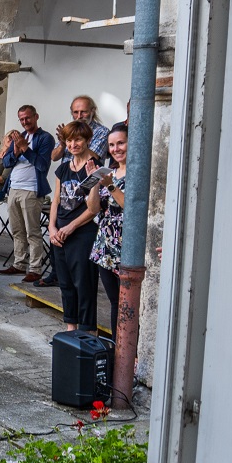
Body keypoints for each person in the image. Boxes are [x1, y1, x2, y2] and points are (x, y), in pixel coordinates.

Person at [49, 121, 101, 332]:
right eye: (69, 140)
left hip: (81, 232)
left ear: (88, 140)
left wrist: (70, 227)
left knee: (84, 283)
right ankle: (71, 327)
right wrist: (52, 228)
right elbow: (56, 200)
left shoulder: (93, 167)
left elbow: (93, 208)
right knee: (66, 283)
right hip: (59, 233)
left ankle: (87, 330)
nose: (73, 144)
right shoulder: (63, 168)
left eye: (78, 139)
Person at [0, 105, 56, 283]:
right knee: (17, 230)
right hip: (13, 188)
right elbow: (6, 163)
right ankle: (19, 263)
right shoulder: (19, 137)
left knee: (33, 231)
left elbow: (42, 165)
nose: (25, 122)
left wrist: (26, 149)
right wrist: (15, 151)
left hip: (31, 190)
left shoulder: (45, 138)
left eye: (28, 118)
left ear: (36, 116)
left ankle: (35, 268)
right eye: (21, 119)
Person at [87, 122, 128, 342]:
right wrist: (95, 182)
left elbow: (129, 206)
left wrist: (111, 186)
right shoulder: (109, 172)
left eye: (121, 143)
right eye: (112, 145)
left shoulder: (138, 173)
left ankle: (134, 353)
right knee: (114, 302)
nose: (115, 149)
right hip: (105, 247)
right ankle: (118, 349)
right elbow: (93, 209)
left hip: (127, 246)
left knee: (129, 302)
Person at [51, 95, 109, 163]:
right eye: (75, 112)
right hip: (66, 172)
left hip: (87, 173)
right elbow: (53, 157)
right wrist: (62, 144)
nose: (79, 116)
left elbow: (93, 158)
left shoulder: (102, 132)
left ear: (93, 111)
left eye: (84, 112)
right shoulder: (70, 129)